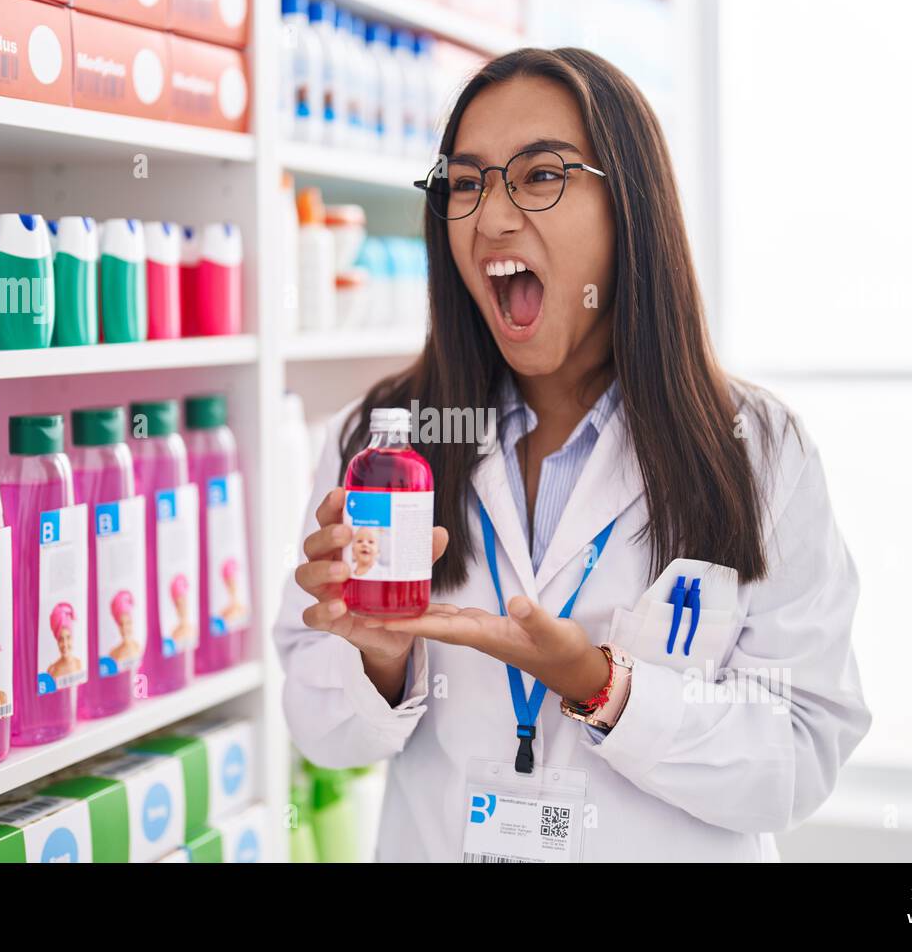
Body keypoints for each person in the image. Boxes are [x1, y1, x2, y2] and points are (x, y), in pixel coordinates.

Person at [276, 48, 871, 862]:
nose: (492, 218)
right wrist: (379, 660)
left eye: (541, 175)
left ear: (630, 203)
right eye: (465, 181)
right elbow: (324, 736)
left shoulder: (759, 452)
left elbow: (800, 757)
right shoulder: (387, 440)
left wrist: (604, 687)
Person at [47, 602, 83, 681]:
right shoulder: (52, 670)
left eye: (68, 637)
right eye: (60, 639)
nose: (65, 644)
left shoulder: (80, 664)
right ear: (57, 641)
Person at [108, 590, 141, 664]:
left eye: (128, 623)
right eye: (121, 624)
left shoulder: (140, 648)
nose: (125, 628)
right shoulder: (113, 654)